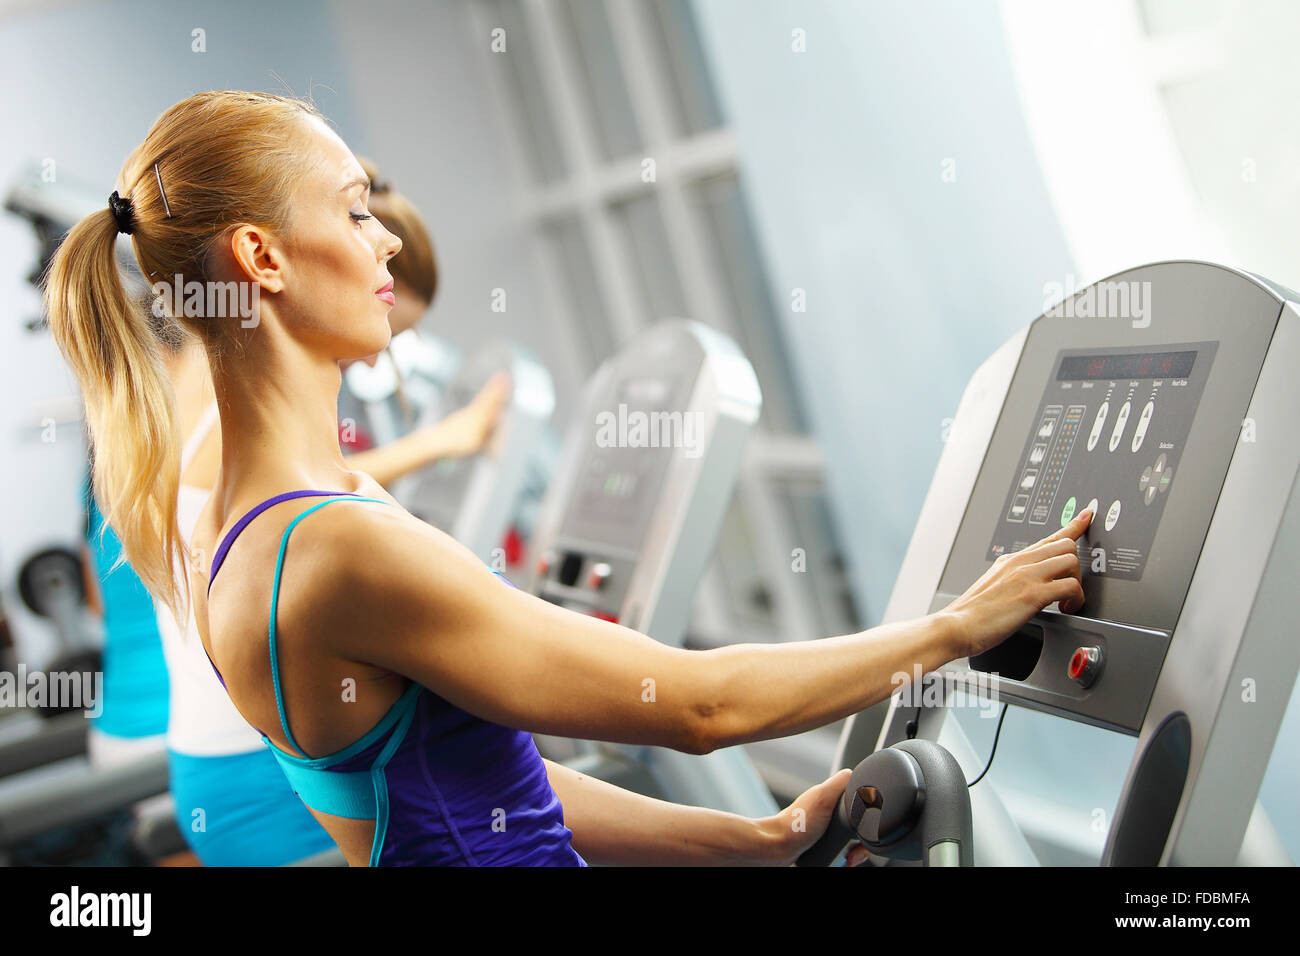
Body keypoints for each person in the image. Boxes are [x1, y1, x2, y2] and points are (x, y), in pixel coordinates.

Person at [46, 90, 1091, 866]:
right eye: (356, 210)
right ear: (261, 258)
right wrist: (957, 626)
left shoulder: (256, 531)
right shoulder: (337, 548)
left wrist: (755, 837)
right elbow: (702, 705)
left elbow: (496, 786)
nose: (382, 246)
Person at [154, 164, 507, 865]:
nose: (380, 355)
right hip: (264, 773)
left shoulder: (202, 378)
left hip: (227, 755)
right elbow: (294, 506)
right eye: (391, 327)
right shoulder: (236, 416)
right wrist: (444, 441)